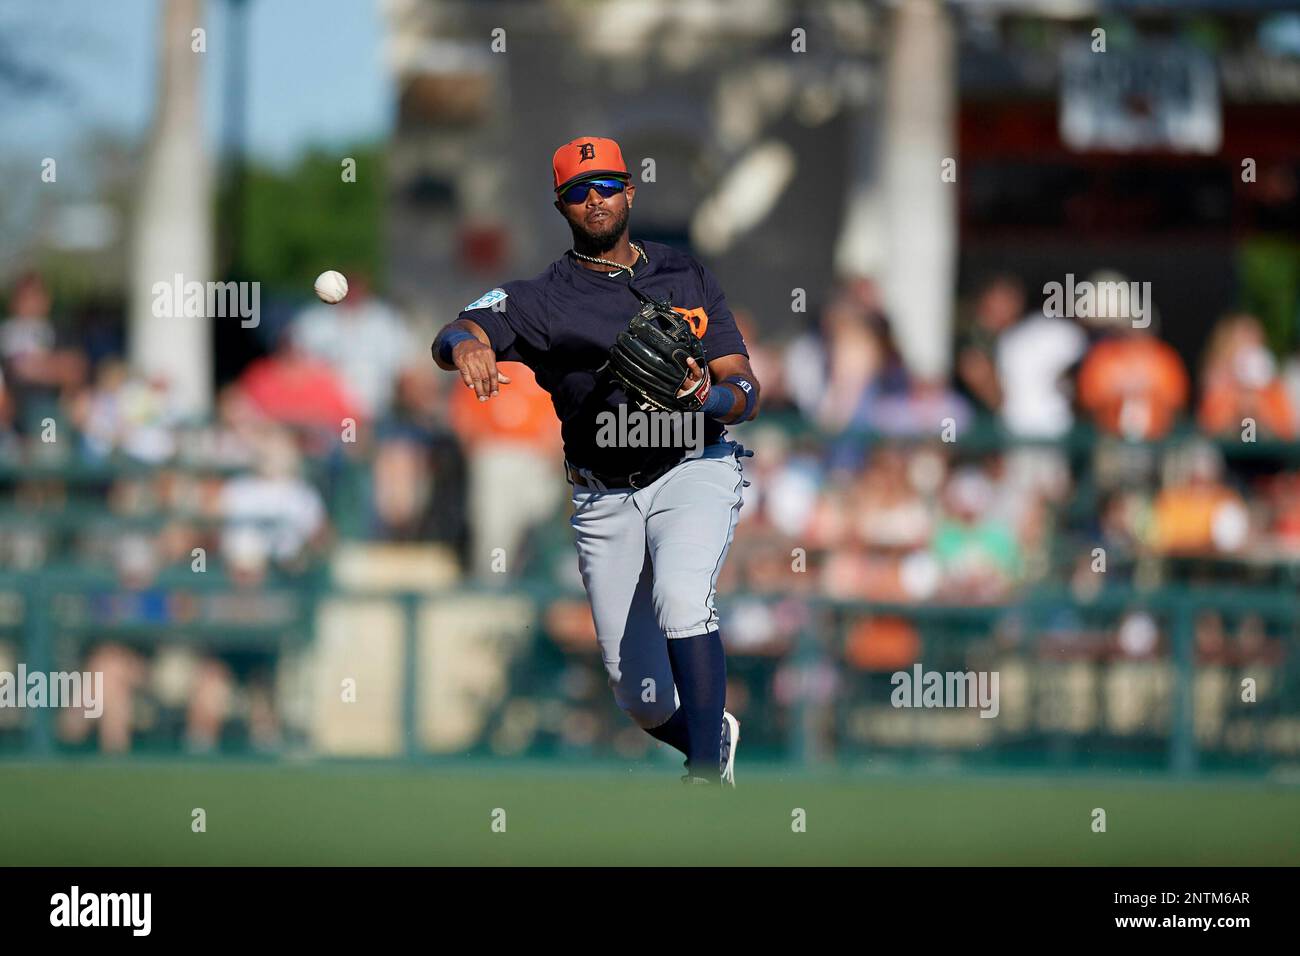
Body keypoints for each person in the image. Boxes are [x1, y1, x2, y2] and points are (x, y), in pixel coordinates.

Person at [431, 136, 761, 785]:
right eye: (580, 190)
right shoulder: (543, 300)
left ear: (630, 192)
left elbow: (745, 386)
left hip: (692, 464)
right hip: (601, 492)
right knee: (637, 695)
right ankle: (710, 734)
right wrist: (464, 349)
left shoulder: (685, 275)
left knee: (683, 597)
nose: (596, 198)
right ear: (562, 205)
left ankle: (702, 778)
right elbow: (459, 328)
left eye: (607, 184)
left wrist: (708, 395)